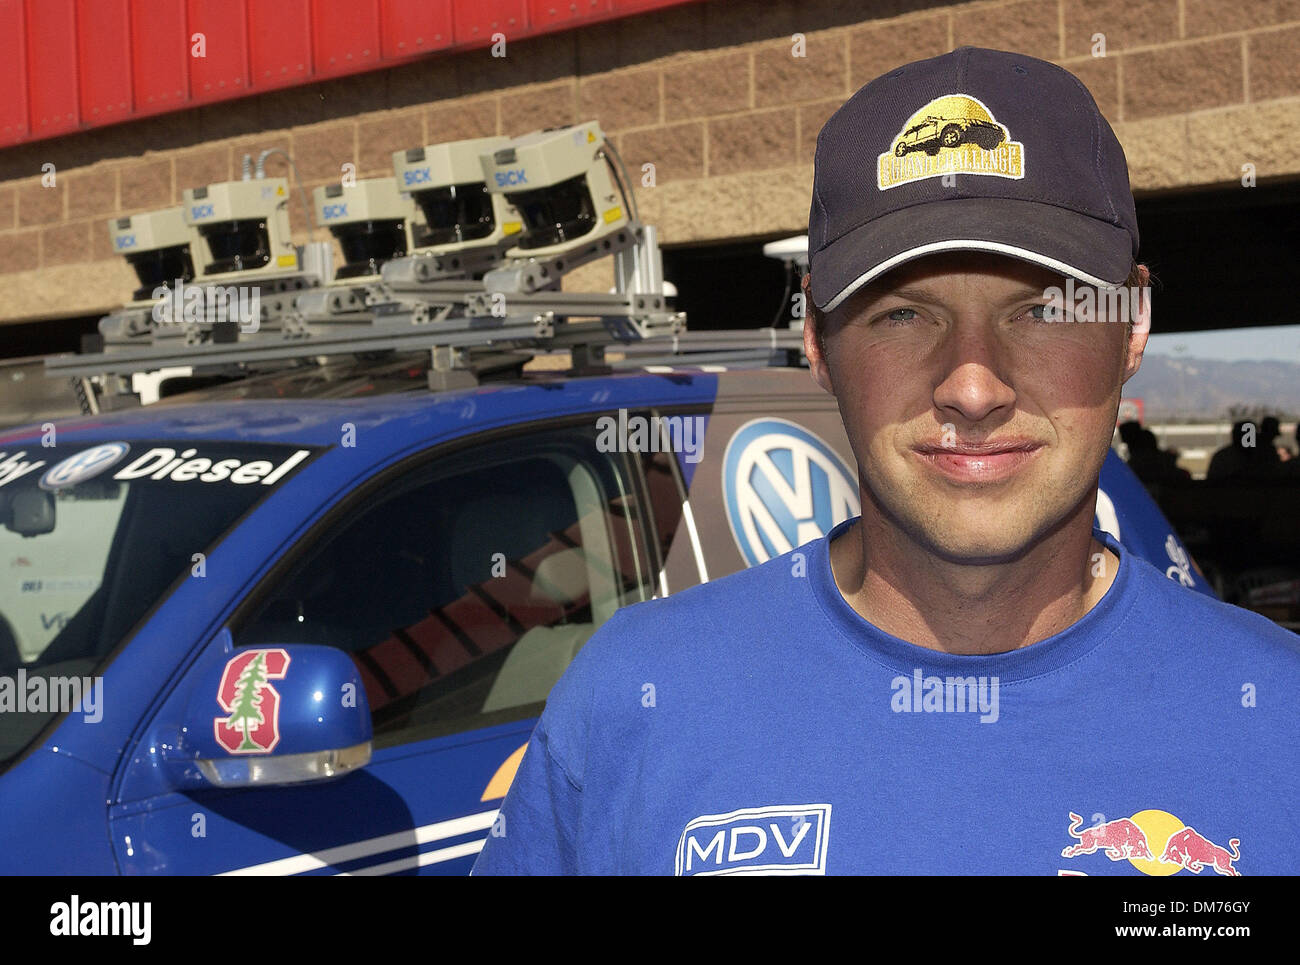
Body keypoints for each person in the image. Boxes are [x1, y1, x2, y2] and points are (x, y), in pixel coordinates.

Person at [472, 46, 1300, 876]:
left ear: (1132, 327)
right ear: (817, 344)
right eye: (904, 315)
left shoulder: (1278, 718)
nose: (973, 388)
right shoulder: (631, 704)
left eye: (1043, 309)